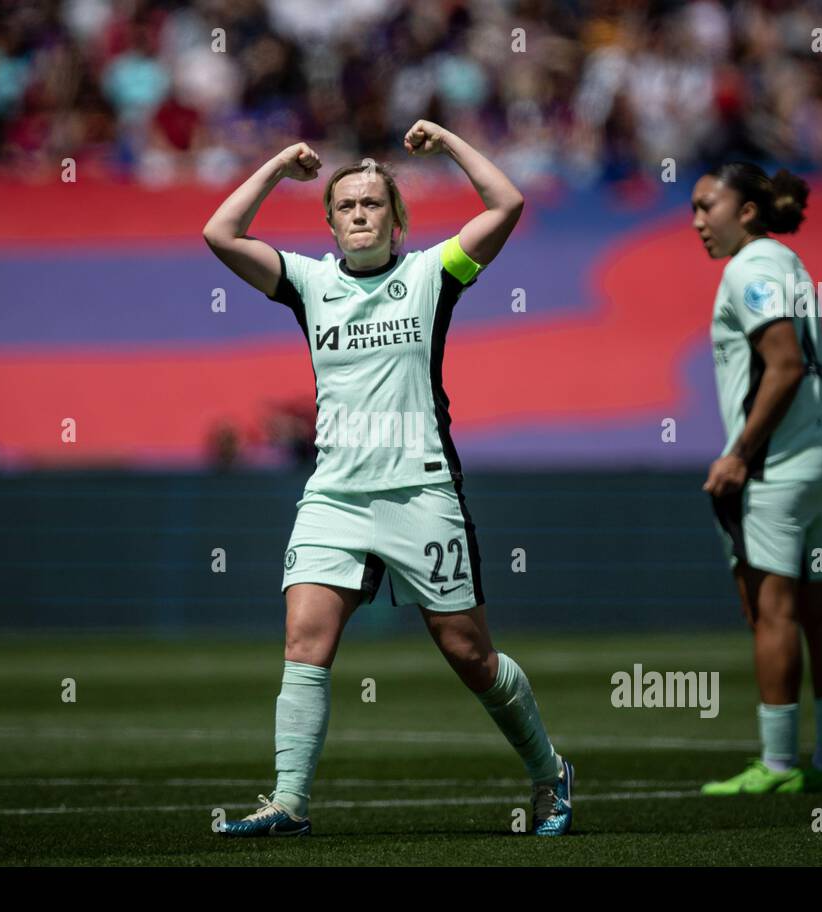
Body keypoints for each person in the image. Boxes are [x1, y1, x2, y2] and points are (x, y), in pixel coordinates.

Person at [202, 120, 573, 836]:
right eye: (347, 206)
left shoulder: (432, 274)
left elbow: (507, 206)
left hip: (420, 489)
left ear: (398, 222)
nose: (361, 214)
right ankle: (289, 803)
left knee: (469, 653)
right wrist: (280, 164)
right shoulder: (309, 283)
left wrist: (453, 145)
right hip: (334, 494)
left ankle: (548, 772)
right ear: (332, 222)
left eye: (374, 203)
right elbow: (220, 232)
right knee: (305, 641)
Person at [691, 162, 822, 795]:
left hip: (777, 469)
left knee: (772, 613)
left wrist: (739, 453)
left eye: (709, 206)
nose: (699, 221)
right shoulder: (785, 262)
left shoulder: (750, 269)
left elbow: (783, 366)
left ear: (748, 210)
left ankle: (779, 765)